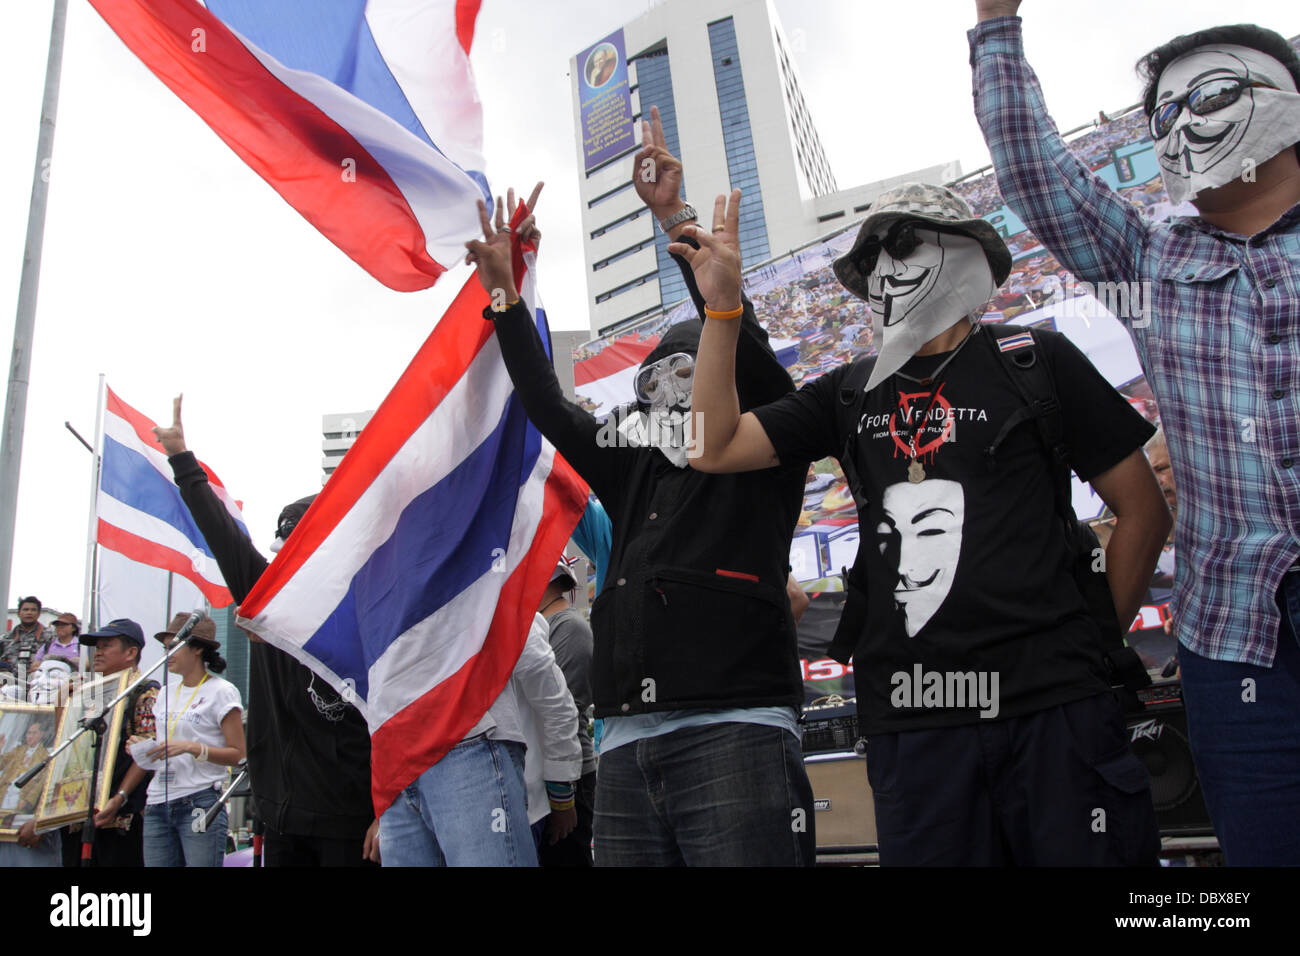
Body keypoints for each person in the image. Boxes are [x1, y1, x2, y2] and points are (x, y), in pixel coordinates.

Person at [687, 182, 1171, 865]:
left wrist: (1090, 653)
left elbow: (1143, 508)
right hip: (915, 730)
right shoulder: (847, 390)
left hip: (1057, 713)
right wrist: (722, 312)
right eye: (874, 250)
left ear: (966, 251)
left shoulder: (1037, 361)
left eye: (906, 241)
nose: (887, 260)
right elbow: (712, 446)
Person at [969, 0, 1300, 864]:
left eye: (1213, 94)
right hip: (1238, 632)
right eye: (1167, 113)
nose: (1185, 123)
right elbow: (1037, 172)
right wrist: (996, 22)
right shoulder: (1153, 261)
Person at [465, 125, 816, 865]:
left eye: (686, 371)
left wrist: (675, 218)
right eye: (651, 380)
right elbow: (550, 406)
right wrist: (501, 296)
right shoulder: (634, 467)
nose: (665, 389)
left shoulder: (768, 445)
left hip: (737, 730)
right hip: (623, 744)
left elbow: (739, 336)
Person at [154, 402, 378, 867]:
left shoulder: (365, 605)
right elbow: (223, 535)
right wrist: (181, 459)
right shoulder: (266, 598)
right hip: (278, 815)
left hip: (350, 818)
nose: (287, 562)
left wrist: (385, 807)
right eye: (283, 551)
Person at [138, 613, 244, 867]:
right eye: (165, 648)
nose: (167, 654)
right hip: (157, 801)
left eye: (173, 646)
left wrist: (191, 747)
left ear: (197, 648)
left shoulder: (221, 691)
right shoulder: (165, 692)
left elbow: (239, 754)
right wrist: (142, 748)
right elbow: (165, 744)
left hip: (200, 799)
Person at [64, 618, 160, 867]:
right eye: (97, 646)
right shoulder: (88, 692)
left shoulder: (145, 692)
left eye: (106, 645)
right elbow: (65, 747)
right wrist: (62, 703)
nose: (98, 652)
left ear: (131, 652)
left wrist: (119, 797)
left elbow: (147, 754)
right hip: (80, 809)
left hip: (121, 816)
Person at [535, 558, 597, 866]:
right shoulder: (542, 624)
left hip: (570, 781)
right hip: (543, 779)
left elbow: (564, 712)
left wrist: (562, 795)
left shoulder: (569, 627)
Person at [2, 597, 48, 681]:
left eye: (33, 610)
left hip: (38, 685)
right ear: (18, 613)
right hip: (8, 685)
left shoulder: (50, 637)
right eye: (25, 609)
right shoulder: (6, 638)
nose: (29, 612)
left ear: (39, 614)